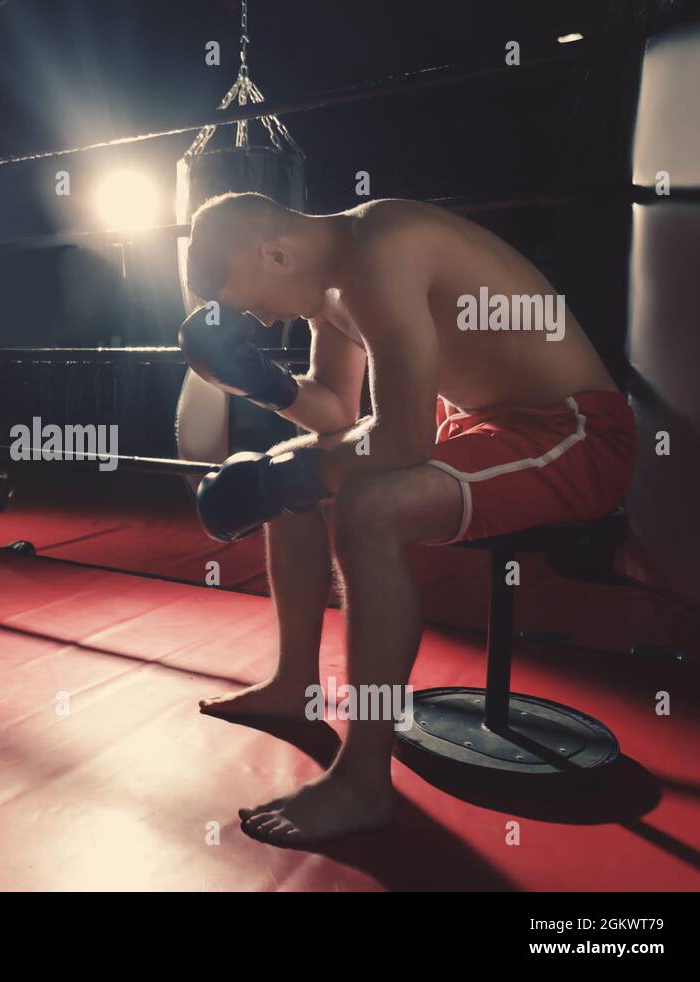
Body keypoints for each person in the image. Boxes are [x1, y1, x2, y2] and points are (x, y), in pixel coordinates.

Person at [179, 193, 637, 845]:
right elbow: (337, 410)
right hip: (480, 425)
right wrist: (254, 381)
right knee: (288, 465)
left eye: (252, 302)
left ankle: (364, 782)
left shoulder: (380, 248)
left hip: (573, 433)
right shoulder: (329, 290)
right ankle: (293, 683)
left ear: (276, 253)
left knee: (366, 505)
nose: (258, 319)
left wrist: (272, 480)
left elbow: (400, 442)